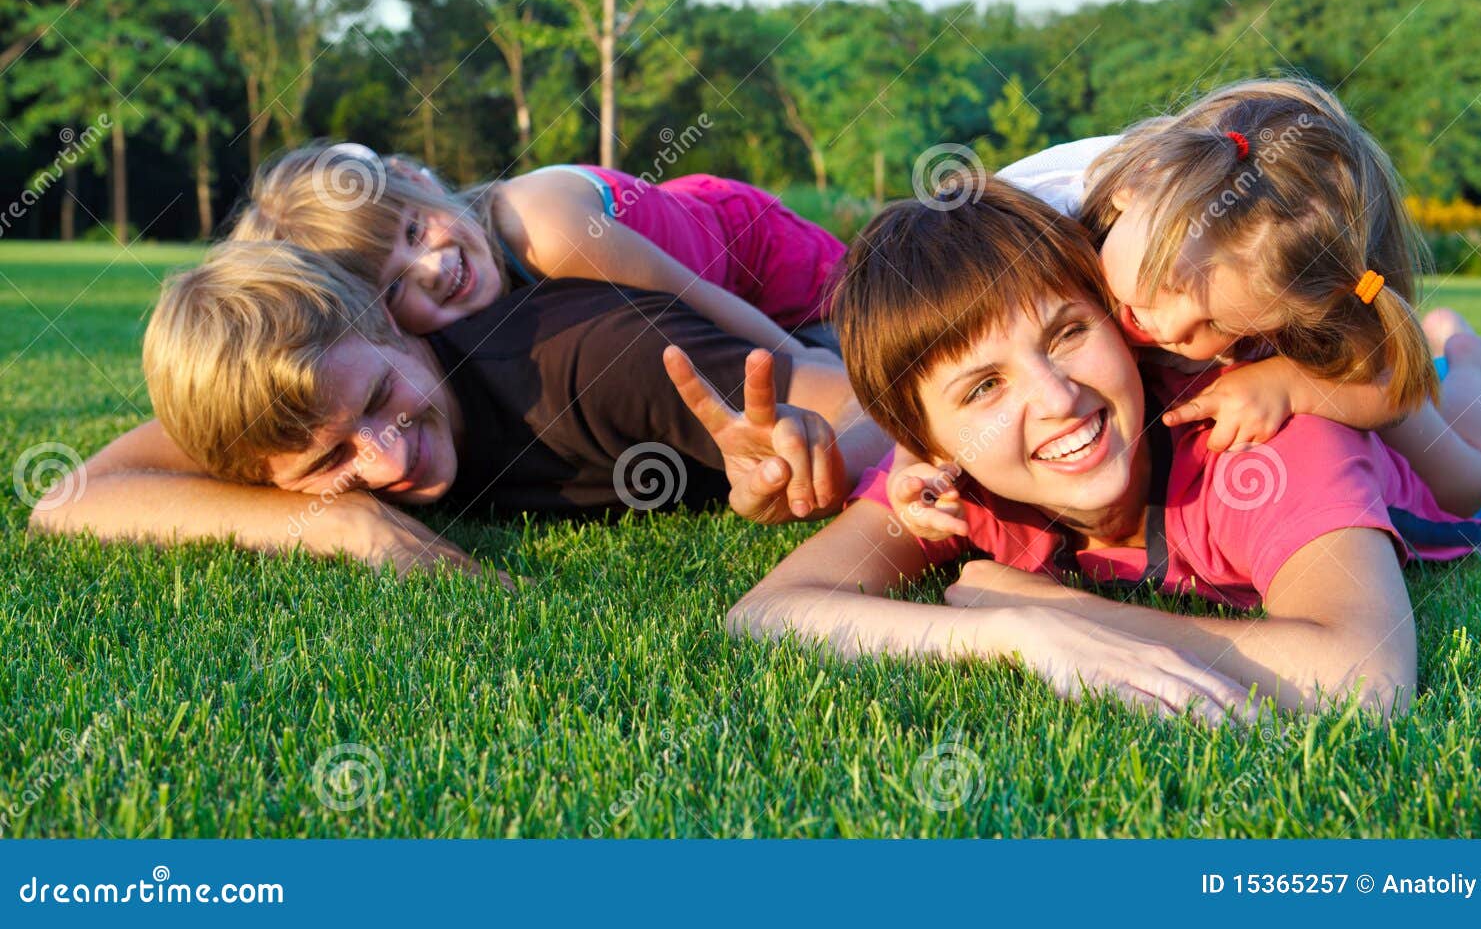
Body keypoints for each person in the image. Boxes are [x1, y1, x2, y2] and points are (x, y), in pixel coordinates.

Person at [704, 181, 1481, 723]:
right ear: (925, 439)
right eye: (984, 388)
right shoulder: (951, 481)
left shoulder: (1257, 441)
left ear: (1120, 321)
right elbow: (766, 614)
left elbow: (1367, 678)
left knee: (1455, 399)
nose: (1055, 398)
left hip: (1428, 451)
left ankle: (1468, 349)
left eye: (1068, 333)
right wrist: (1014, 636)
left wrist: (1063, 609)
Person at [29, 241, 888, 579]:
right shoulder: (287, 406)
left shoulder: (595, 361)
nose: (389, 460)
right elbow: (70, 499)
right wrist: (333, 527)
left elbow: (879, 400)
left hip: (863, 309)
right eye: (330, 464)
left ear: (384, 320)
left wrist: (809, 448)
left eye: (378, 398)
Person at [996, 77, 1481, 521]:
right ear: (1136, 185)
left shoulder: (1296, 275)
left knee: (1463, 485)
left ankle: (1472, 360)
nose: (1173, 328)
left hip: (1408, 400)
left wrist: (1289, 383)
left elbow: (1389, 392)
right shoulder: (1042, 206)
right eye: (1171, 283)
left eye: (1219, 323)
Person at [229, 142, 847, 357]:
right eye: (394, 287)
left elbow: (701, 300)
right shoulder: (457, 307)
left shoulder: (541, 229)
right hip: (680, 241)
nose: (434, 269)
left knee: (880, 334)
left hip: (752, 256)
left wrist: (805, 366)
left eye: (415, 232)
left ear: (416, 180)